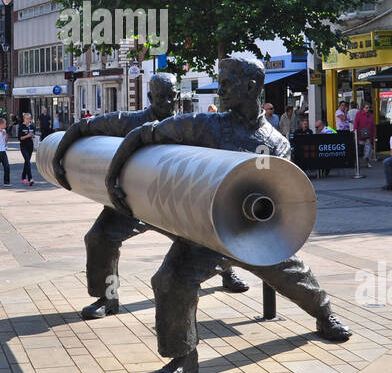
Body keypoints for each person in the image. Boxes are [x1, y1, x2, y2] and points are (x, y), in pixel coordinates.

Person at [103, 59, 352, 373]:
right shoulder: (206, 125)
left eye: (227, 81)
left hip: (255, 232)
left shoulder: (276, 143)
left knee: (295, 275)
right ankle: (184, 357)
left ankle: (324, 314)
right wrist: (112, 178)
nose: (220, 88)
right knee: (170, 280)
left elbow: (282, 193)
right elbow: (143, 134)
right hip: (207, 232)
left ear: (251, 87)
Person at [53, 73, 248, 320]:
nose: (168, 102)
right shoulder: (129, 122)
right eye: (161, 97)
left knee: (212, 234)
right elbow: (82, 127)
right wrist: (58, 159)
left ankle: (226, 272)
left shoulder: (192, 126)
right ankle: (108, 297)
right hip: (134, 202)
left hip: (176, 203)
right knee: (99, 238)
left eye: (172, 96)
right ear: (149, 98)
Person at [353, 102, 375, 167]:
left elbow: (372, 126)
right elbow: (356, 123)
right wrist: (355, 132)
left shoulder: (371, 116)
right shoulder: (359, 114)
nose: (367, 109)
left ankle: (367, 161)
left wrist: (373, 136)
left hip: (368, 134)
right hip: (360, 134)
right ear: (363, 108)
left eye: (368, 108)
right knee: (359, 149)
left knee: (368, 149)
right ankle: (358, 162)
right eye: (366, 108)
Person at [18, 112, 36, 186]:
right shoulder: (21, 126)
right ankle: (30, 178)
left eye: (29, 118)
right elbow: (20, 138)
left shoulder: (32, 126)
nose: (28, 120)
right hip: (23, 146)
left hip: (30, 146)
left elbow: (33, 135)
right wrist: (28, 135)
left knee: (27, 162)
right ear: (24, 119)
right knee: (27, 161)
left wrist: (32, 136)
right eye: (27, 118)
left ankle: (23, 177)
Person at [0, 111, 11, 187]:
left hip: (3, 150)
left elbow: (6, 141)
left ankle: (6, 181)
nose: (5, 125)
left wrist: (6, 135)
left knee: (7, 166)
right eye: (4, 124)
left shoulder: (4, 131)